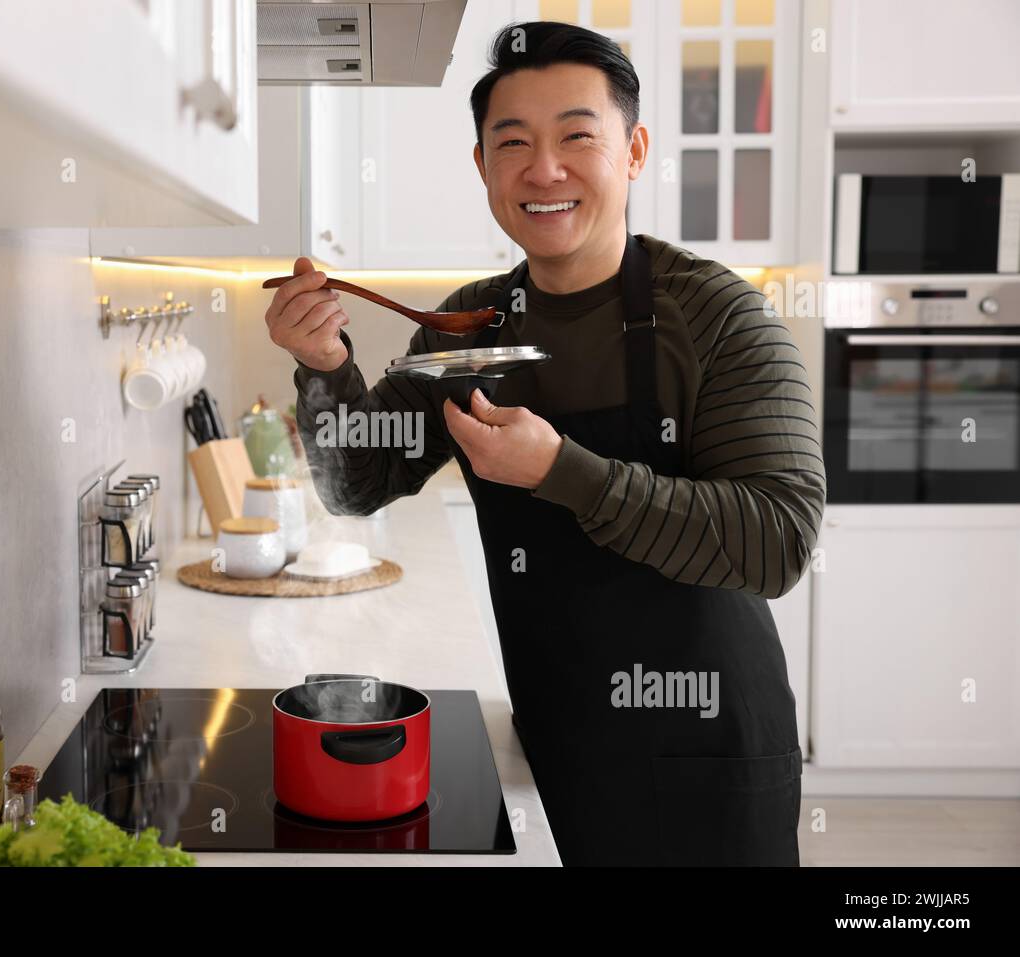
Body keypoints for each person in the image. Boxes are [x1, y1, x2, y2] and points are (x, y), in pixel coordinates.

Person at [263, 20, 824, 866]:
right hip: (557, 739)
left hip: (708, 752)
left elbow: (776, 540)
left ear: (632, 151)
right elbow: (358, 481)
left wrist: (564, 472)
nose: (544, 169)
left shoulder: (716, 316)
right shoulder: (468, 327)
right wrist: (323, 365)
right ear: (484, 166)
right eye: (513, 142)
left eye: (576, 137)